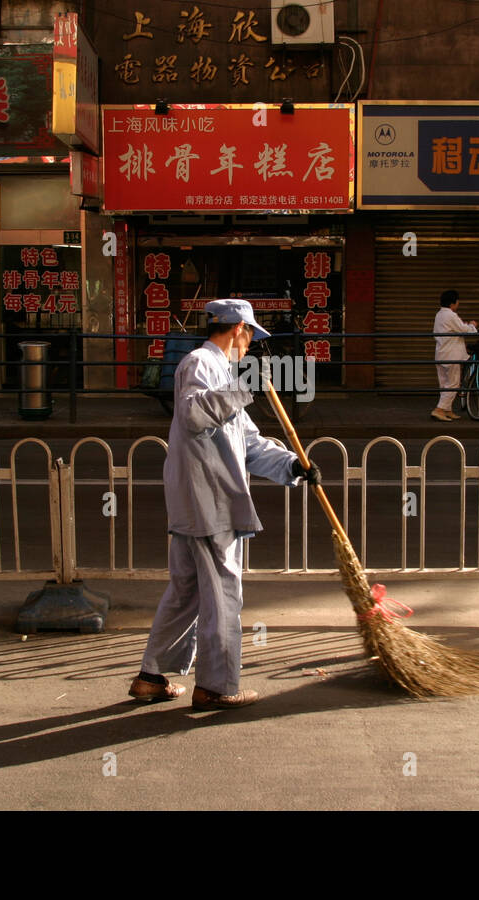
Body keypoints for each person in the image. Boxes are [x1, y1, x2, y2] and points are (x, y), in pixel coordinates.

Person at [129, 299, 320, 710]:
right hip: (208, 500)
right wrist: (244, 386)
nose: (250, 345)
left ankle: (151, 676)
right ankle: (216, 686)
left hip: (202, 500)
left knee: (187, 593)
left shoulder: (224, 371)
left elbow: (248, 442)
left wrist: (292, 465)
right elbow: (195, 414)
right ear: (237, 329)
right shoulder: (200, 363)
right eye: (250, 336)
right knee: (223, 594)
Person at [432, 289, 479, 422]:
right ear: (453, 303)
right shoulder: (451, 316)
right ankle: (439, 409)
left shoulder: (439, 315)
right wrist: (472, 325)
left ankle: (447, 409)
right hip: (451, 354)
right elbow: (464, 329)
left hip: (441, 353)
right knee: (453, 383)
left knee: (444, 383)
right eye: (457, 301)